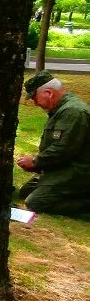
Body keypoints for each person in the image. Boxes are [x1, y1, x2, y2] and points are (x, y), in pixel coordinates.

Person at [16, 71, 90, 215]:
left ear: (48, 93)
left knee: (35, 203)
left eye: (35, 98)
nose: (36, 103)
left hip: (78, 172)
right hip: (64, 167)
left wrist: (36, 162)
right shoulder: (62, 110)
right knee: (25, 192)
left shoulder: (73, 112)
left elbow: (63, 150)